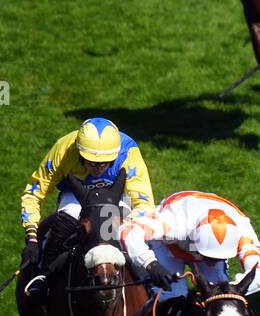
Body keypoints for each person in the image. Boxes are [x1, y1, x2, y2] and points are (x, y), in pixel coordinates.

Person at [19, 118, 157, 296]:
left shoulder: (128, 151)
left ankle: (149, 282)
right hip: (75, 196)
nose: (98, 168)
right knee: (67, 219)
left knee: (120, 227)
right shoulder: (64, 149)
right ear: (79, 153)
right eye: (91, 162)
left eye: (105, 163)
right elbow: (34, 192)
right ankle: (44, 276)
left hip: (115, 196)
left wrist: (124, 226)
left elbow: (145, 205)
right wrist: (31, 238)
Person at [118, 191, 260, 297]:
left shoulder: (242, 231)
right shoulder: (173, 223)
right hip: (168, 245)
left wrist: (236, 289)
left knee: (220, 297)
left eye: (216, 258)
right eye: (209, 257)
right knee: (171, 295)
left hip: (197, 222)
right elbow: (128, 231)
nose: (211, 263)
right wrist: (150, 264)